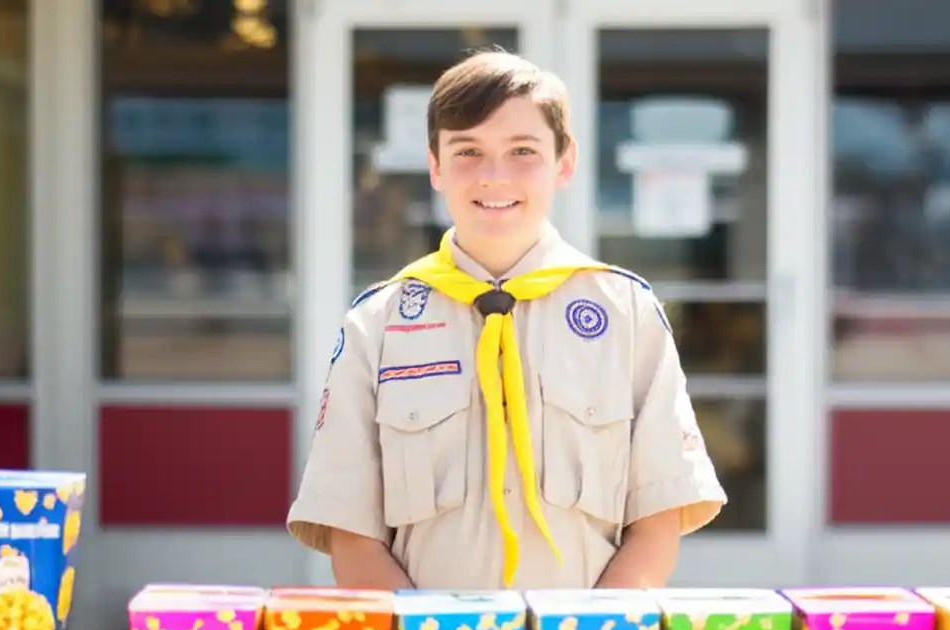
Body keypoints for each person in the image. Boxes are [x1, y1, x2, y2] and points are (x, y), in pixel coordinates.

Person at [287, 48, 725, 591]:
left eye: (522, 150)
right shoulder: (377, 325)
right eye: (468, 150)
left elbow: (659, 515)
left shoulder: (625, 314)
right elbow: (349, 529)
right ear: (435, 166)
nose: (494, 176)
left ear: (564, 162)